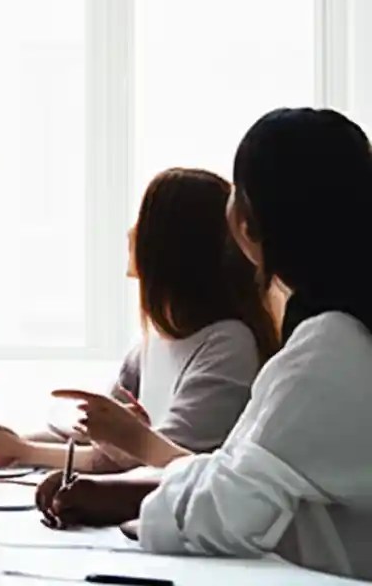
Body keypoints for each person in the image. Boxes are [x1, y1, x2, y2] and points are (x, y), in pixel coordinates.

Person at [41, 108, 372, 581]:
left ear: (246, 224)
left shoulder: (328, 350)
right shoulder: (337, 333)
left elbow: (229, 510)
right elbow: (239, 476)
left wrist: (133, 496)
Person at [0, 168, 277, 473]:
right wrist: (4, 444)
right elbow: (93, 433)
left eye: (143, 224)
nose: (130, 233)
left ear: (171, 245)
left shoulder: (228, 345)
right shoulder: (156, 340)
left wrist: (21, 450)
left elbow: (144, 458)